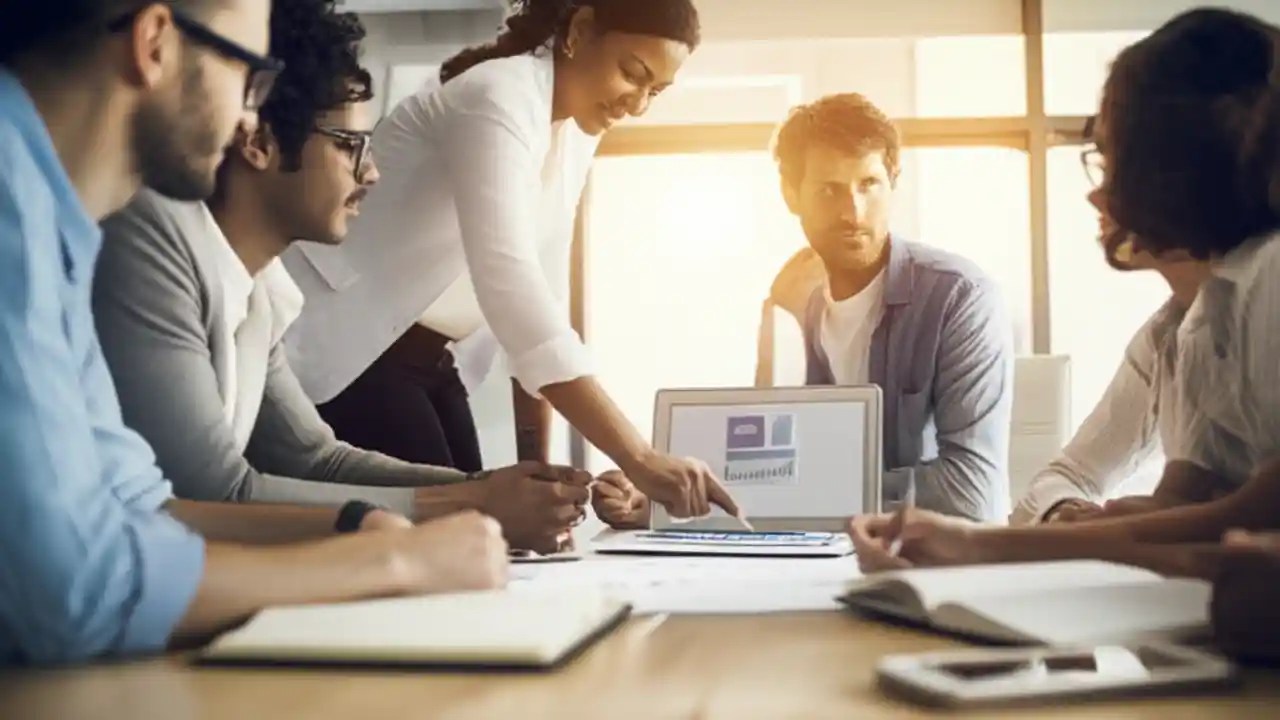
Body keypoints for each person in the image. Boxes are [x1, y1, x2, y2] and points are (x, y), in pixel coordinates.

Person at [0, 0, 506, 665]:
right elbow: (76, 593)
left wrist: (362, 524)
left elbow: (144, 505)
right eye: (251, 78)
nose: (248, 118)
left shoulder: (58, 225)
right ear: (154, 43)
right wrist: (393, 560)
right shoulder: (18, 208)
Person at [94, 0, 587, 554]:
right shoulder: (153, 238)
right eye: (348, 146)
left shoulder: (263, 287)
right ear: (258, 140)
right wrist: (466, 505)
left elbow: (315, 457)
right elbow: (215, 491)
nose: (370, 172)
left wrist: (491, 487)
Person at [849, 8, 1280, 592]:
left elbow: (1243, 521)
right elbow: (1185, 506)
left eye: (1111, 156)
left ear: (1171, 159)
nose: (1099, 190)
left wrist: (978, 544)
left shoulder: (1267, 278)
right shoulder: (1202, 317)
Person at [279, 0, 743, 523]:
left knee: (494, 527)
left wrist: (543, 472)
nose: (637, 105)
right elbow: (510, 282)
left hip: (431, 360)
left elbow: (545, 296)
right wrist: (637, 457)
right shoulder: (498, 94)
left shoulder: (572, 135)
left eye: (654, 91)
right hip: (355, 351)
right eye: (632, 74)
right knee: (456, 533)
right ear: (582, 30)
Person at [594, 93, 1016, 527]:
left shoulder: (960, 297)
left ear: (893, 182)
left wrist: (820, 493)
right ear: (791, 195)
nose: (853, 212)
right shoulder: (791, 303)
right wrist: (664, 495)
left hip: (923, 560)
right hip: (818, 549)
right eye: (829, 190)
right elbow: (768, 461)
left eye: (869, 184)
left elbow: (973, 494)